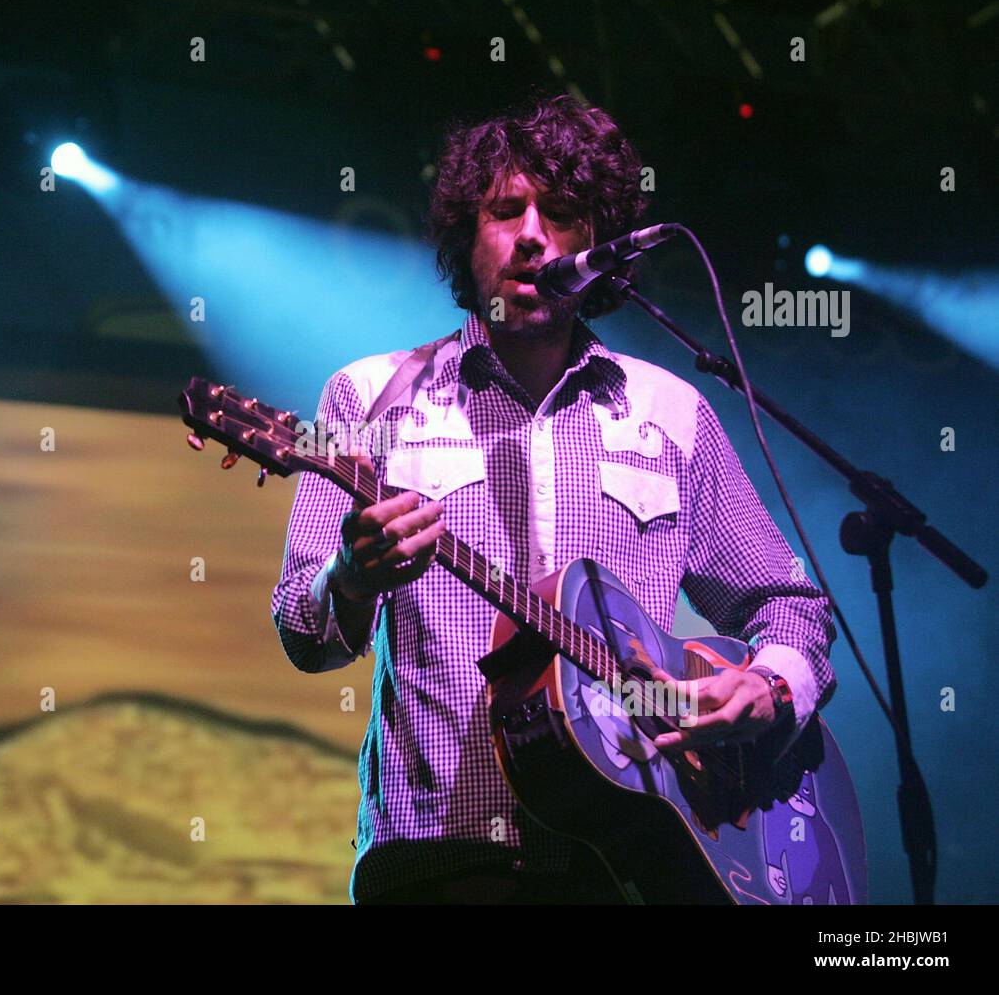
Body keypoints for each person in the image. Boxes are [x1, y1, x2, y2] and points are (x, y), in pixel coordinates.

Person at [270, 92, 836, 904]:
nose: (533, 233)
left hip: (641, 861)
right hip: (442, 859)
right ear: (468, 237)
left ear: (600, 245)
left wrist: (769, 687)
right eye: (506, 210)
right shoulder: (371, 398)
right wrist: (352, 577)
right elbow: (302, 627)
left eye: (563, 213)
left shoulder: (669, 411)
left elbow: (789, 604)